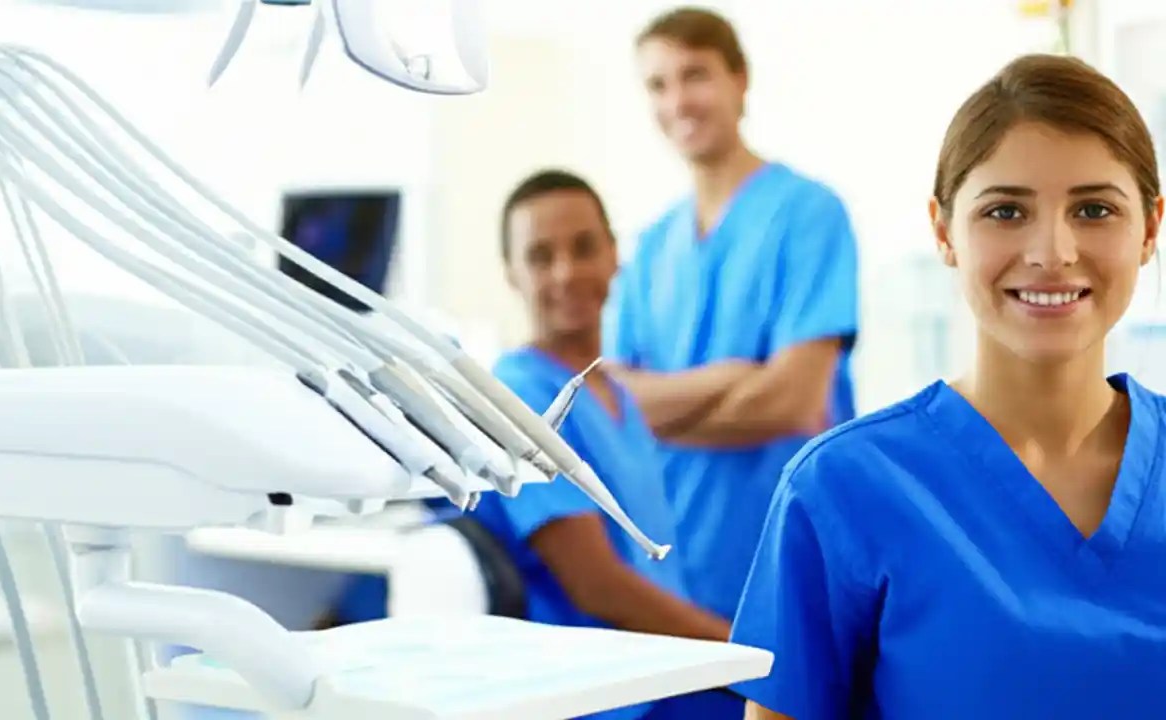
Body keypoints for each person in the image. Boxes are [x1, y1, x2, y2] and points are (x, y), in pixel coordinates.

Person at [733, 53, 1166, 720]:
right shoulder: (843, 489)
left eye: (1094, 208)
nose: (1053, 251)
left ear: (1151, 227)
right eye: (1005, 212)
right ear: (944, 230)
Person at [604, 7, 860, 621]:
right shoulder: (652, 245)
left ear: (740, 80)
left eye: (695, 75)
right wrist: (733, 378)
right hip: (673, 563)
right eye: (657, 85)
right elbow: (611, 408)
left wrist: (661, 414)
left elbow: (795, 403)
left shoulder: (808, 214)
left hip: (785, 551)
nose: (677, 101)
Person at [476, 169, 740, 719]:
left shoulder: (615, 394)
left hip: (662, 677)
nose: (566, 272)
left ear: (614, 254)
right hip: (605, 698)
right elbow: (599, 587)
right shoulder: (521, 394)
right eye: (541, 256)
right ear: (511, 274)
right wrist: (741, 652)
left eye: (583, 247)